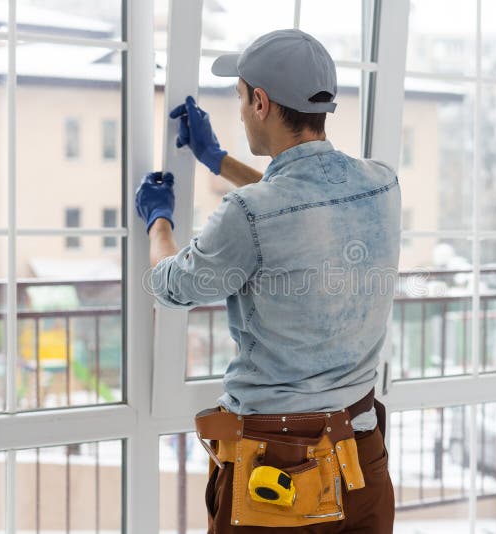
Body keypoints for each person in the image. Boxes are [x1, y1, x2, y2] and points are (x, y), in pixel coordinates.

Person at [135, 29, 400, 533]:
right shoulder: (382, 182)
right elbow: (305, 208)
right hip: (362, 460)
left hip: (276, 476)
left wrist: (158, 221)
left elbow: (170, 285)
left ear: (260, 102)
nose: (238, 110)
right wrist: (218, 162)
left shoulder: (248, 213)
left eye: (238, 97)